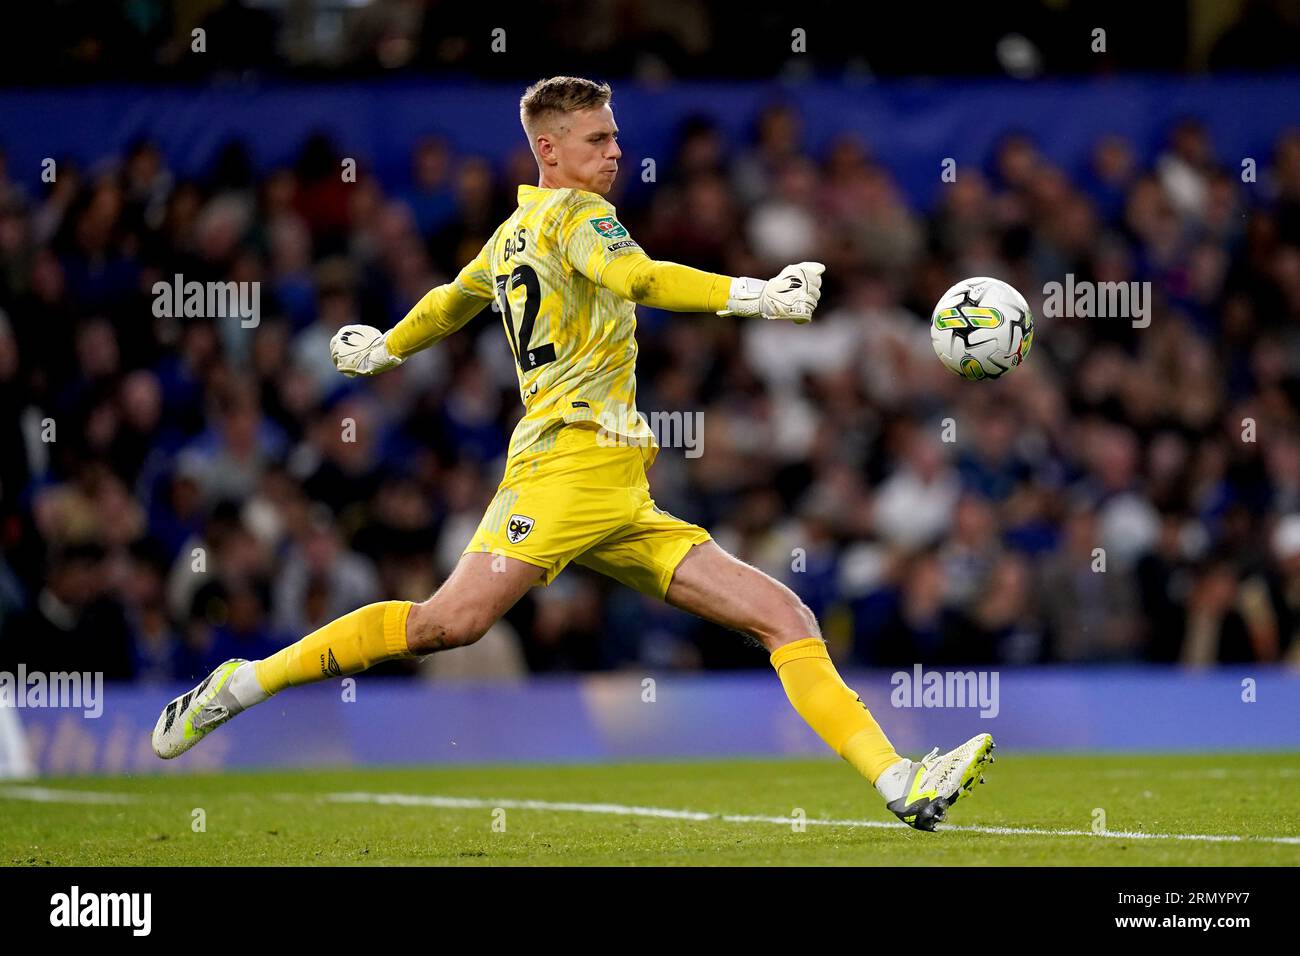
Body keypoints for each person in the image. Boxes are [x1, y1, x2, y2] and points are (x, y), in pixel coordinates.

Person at [151, 76, 993, 831]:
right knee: (450, 623)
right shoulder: (582, 218)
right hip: (565, 469)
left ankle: (899, 783)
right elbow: (641, 280)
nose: (617, 151)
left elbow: (451, 302)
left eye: (617, 137)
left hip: (620, 487)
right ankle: (245, 682)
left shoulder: (515, 231)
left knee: (787, 618)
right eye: (598, 139)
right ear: (548, 150)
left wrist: (386, 348)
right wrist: (755, 295)